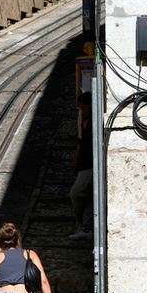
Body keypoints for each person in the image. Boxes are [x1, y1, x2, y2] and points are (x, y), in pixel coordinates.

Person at [68, 91, 93, 240]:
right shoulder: (85, 121)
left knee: (76, 194)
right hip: (83, 165)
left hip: (90, 165)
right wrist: (76, 160)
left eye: (83, 108)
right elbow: (81, 144)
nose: (81, 111)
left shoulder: (92, 123)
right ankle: (86, 228)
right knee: (88, 197)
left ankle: (81, 222)